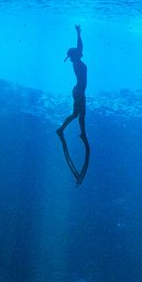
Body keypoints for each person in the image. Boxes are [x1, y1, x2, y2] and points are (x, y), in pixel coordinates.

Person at [56, 25, 89, 185]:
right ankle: (62, 129)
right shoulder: (76, 63)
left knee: (81, 115)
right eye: (77, 52)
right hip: (78, 92)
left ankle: (81, 133)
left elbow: (80, 47)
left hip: (80, 92)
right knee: (77, 115)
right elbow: (79, 47)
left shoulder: (77, 61)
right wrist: (78, 34)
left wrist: (78, 34)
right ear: (75, 55)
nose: (80, 52)